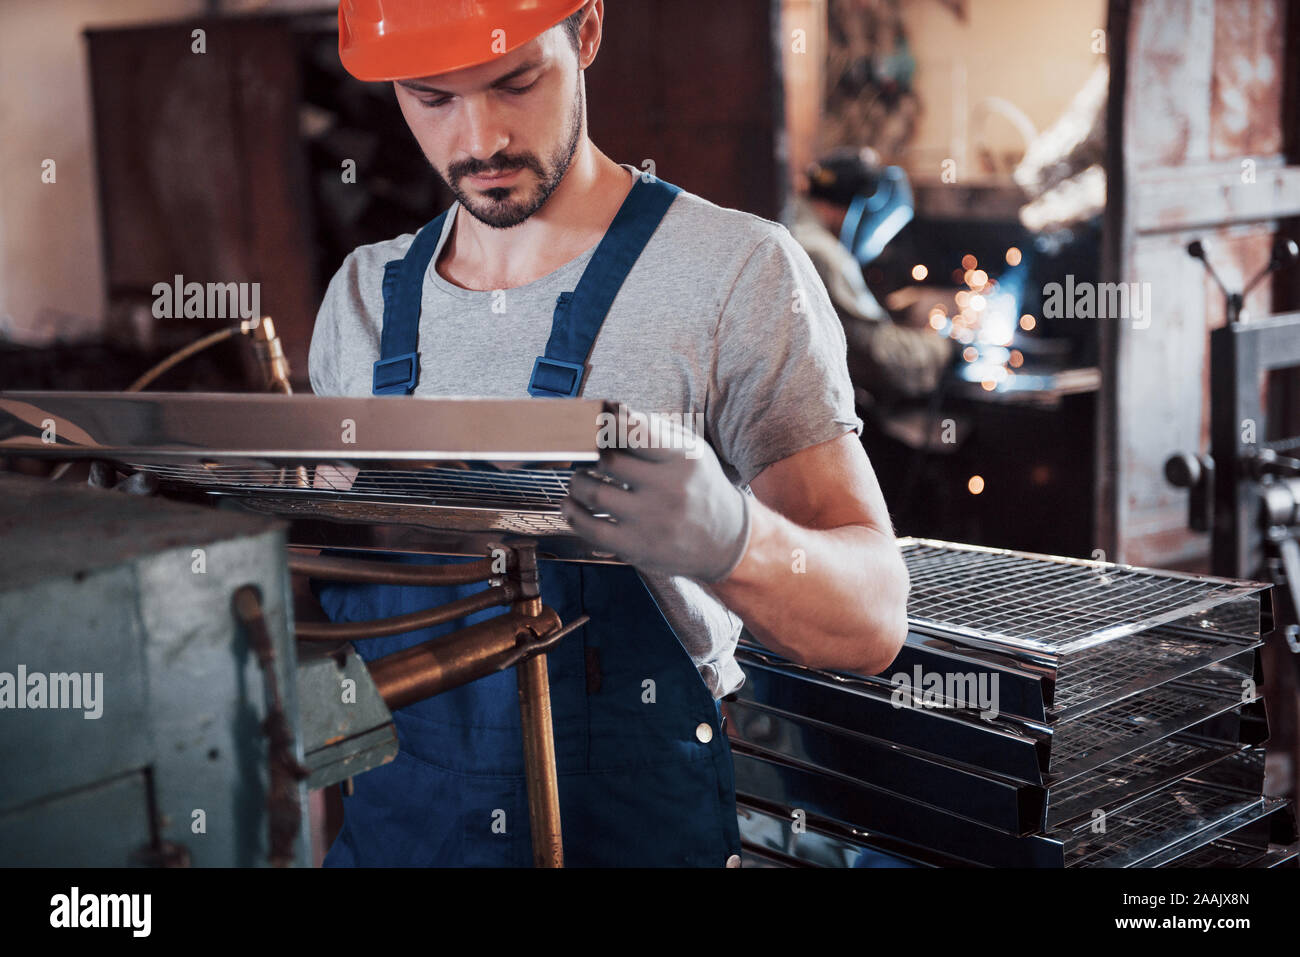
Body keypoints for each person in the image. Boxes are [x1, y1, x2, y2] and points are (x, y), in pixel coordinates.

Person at [309, 0, 910, 867]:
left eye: (516, 80)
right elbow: (345, 668)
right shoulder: (362, 301)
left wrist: (736, 542)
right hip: (397, 839)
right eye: (432, 97)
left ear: (586, 31)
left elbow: (874, 618)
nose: (480, 139)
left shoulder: (733, 273)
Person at [791, 148, 956, 405]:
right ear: (861, 207)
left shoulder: (789, 229)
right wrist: (945, 349)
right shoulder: (822, 254)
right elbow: (873, 354)